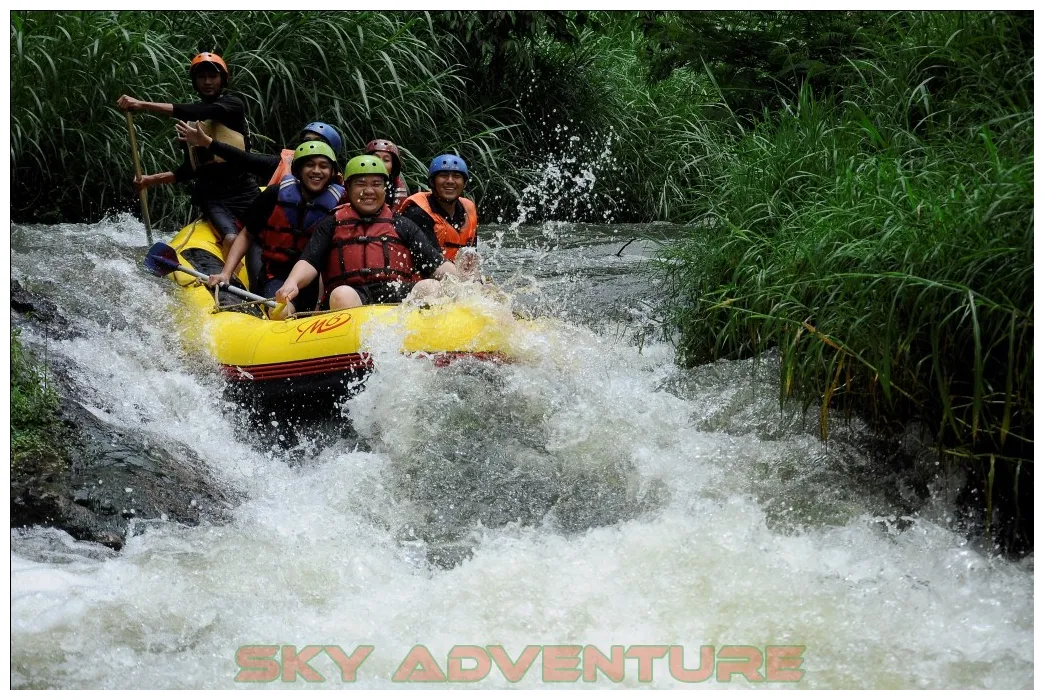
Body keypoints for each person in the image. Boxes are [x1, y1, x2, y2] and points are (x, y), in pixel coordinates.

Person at [276, 155, 458, 311]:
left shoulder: (402, 224)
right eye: (360, 184)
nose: (369, 191)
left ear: (385, 189)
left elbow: (437, 265)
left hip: (397, 294)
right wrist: (292, 282)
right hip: (352, 297)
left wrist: (465, 284)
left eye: (376, 184)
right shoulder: (331, 224)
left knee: (430, 287)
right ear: (348, 188)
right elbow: (309, 261)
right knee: (342, 294)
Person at [117, 52, 257, 252]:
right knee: (231, 237)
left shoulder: (232, 106)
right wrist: (150, 180)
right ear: (195, 81)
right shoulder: (191, 124)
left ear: (223, 79)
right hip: (215, 198)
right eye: (201, 77)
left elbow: (202, 111)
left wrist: (143, 104)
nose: (207, 82)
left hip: (245, 191)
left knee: (268, 232)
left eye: (213, 76)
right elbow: (189, 170)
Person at [205, 141, 344, 320]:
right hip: (277, 275)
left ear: (332, 172)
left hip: (319, 281)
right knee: (281, 313)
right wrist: (226, 273)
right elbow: (247, 233)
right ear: (299, 169)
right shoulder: (274, 195)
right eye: (310, 165)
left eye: (323, 166)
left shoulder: (341, 203)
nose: (316, 171)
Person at [177, 120, 343, 187]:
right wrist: (207, 142)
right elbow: (243, 158)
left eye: (319, 143)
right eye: (307, 141)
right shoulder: (278, 165)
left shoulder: (340, 186)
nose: (312, 146)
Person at [398, 154, 478, 264]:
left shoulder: (468, 210)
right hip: (426, 277)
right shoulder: (417, 213)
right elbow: (432, 264)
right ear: (432, 182)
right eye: (443, 175)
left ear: (464, 183)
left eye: (456, 176)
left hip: (455, 275)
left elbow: (472, 261)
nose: (450, 181)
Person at [364, 138, 409, 209]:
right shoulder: (353, 182)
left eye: (386, 160)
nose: (380, 163)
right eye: (376, 158)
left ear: (392, 168)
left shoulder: (396, 188)